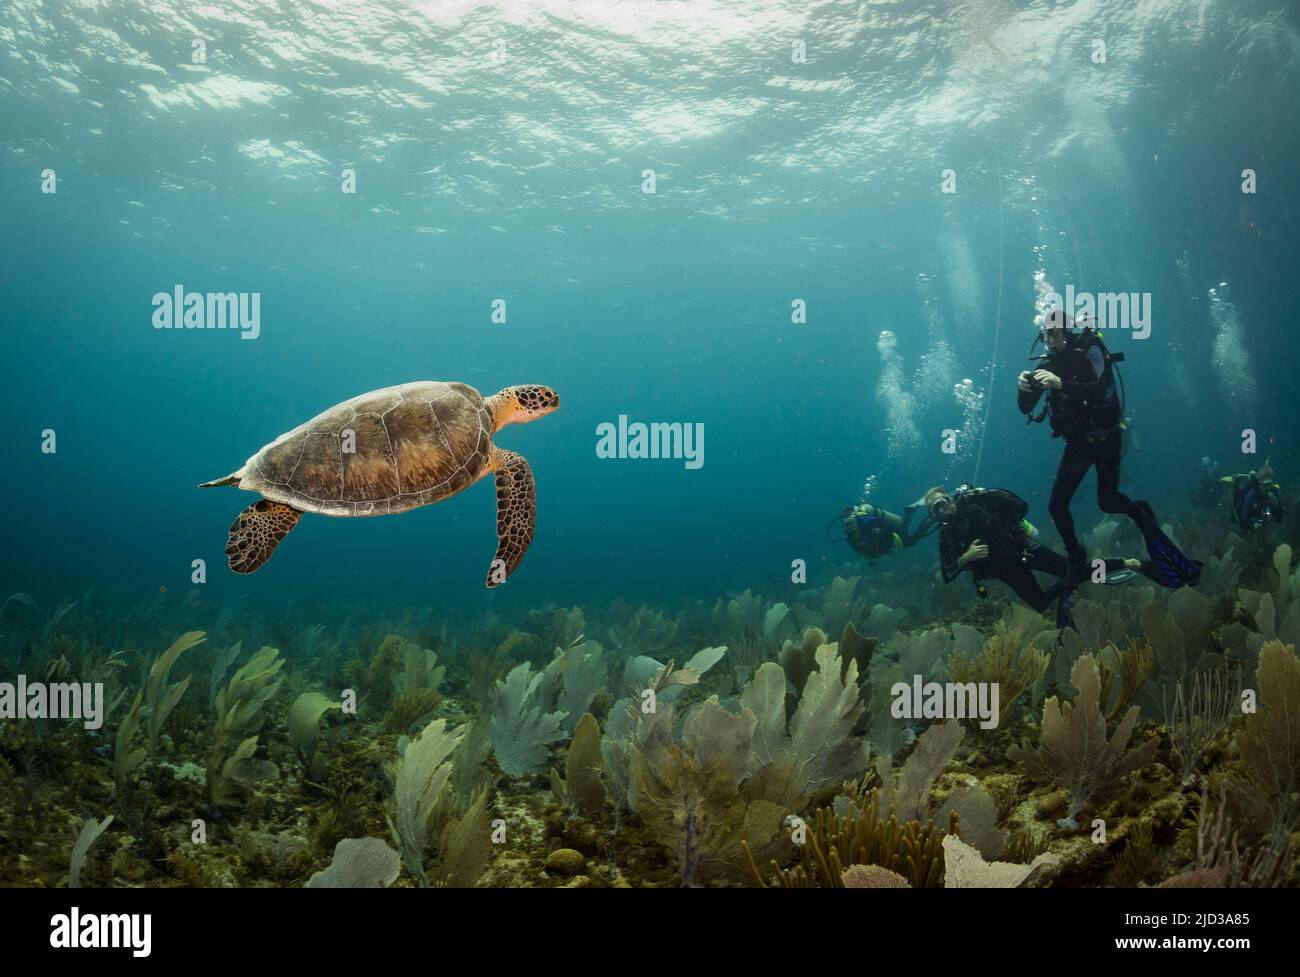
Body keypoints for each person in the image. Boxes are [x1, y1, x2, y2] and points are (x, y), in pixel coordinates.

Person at [1018, 309, 1201, 629]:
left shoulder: (1090, 348)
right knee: (1056, 506)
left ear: (1068, 331)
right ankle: (1076, 552)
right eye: (1046, 335)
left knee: (1108, 500)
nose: (1052, 341)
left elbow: (1100, 384)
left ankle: (1142, 516)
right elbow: (1025, 408)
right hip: (1076, 445)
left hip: (1106, 437)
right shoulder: (1046, 365)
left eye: (1057, 334)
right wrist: (1024, 389)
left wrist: (1061, 383)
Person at [924, 485, 1140, 614]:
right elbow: (947, 573)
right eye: (935, 509)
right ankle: (1069, 583)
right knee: (1040, 604)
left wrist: (983, 492)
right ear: (932, 516)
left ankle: (1124, 563)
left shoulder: (974, 507)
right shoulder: (945, 537)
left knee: (1076, 570)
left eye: (942, 503)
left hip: (1024, 549)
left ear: (951, 500)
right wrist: (964, 559)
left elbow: (1019, 506)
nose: (941, 509)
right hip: (1007, 571)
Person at [841, 499, 937, 563]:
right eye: (845, 525)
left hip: (892, 538)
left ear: (855, 520)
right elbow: (863, 552)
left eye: (850, 523)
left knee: (911, 541)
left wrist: (879, 534)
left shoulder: (867, 522)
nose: (848, 528)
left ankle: (929, 520)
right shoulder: (850, 538)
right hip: (887, 542)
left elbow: (886, 528)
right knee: (904, 529)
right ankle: (908, 514)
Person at [1222, 462, 1285, 532]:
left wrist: (1276, 504)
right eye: (1266, 485)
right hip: (1250, 526)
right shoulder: (1252, 494)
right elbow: (1243, 519)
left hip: (1264, 525)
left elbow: (1279, 519)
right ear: (1260, 484)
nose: (1268, 488)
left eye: (1270, 484)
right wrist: (1252, 524)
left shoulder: (1273, 493)